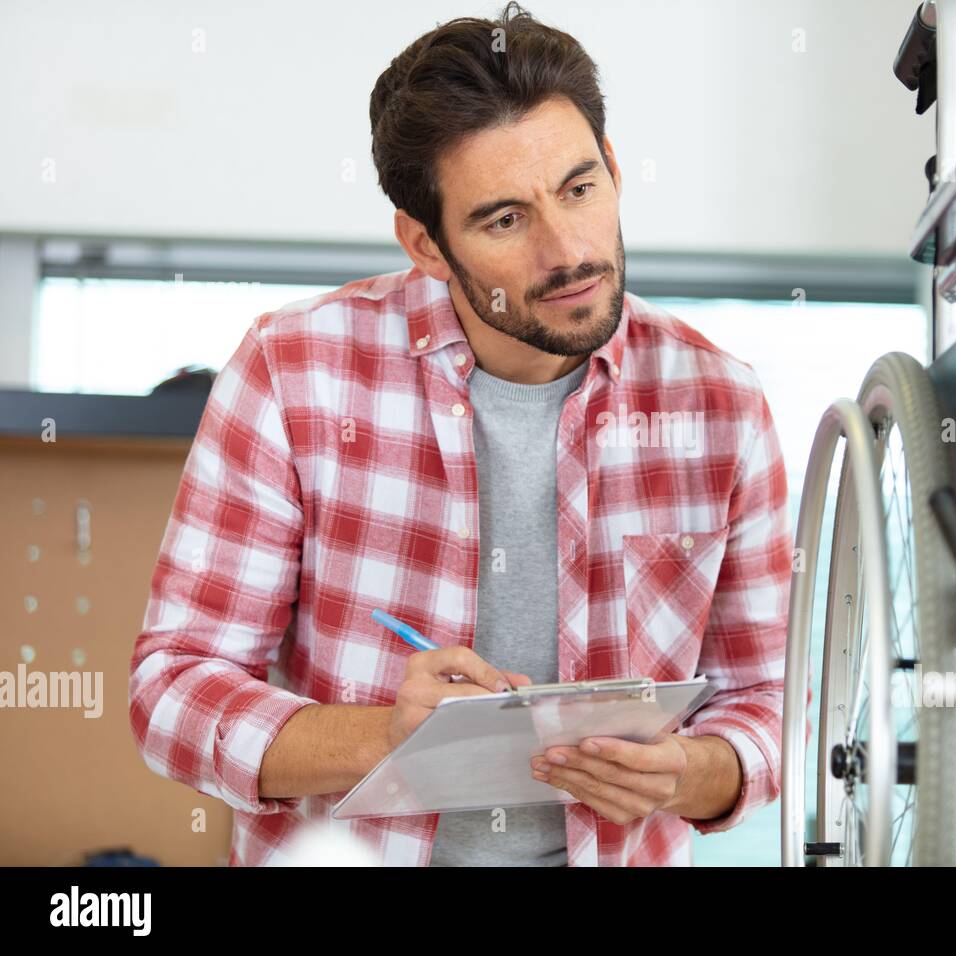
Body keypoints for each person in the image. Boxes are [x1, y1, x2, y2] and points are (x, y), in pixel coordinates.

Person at [129, 2, 792, 867]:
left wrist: (688, 774)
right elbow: (170, 689)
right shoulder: (294, 371)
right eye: (505, 219)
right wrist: (387, 736)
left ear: (615, 171)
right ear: (426, 245)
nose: (569, 251)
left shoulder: (720, 405)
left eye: (579, 188)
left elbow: (771, 703)